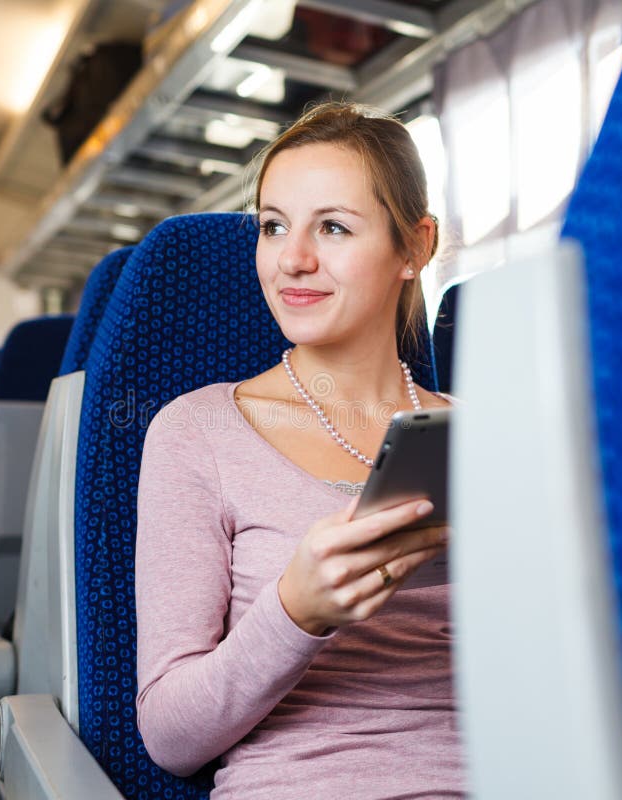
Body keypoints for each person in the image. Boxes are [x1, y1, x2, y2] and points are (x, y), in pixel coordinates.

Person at [135, 102, 465, 799]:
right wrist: (296, 611)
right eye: (273, 226)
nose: (293, 259)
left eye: (334, 228)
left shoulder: (487, 438)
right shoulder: (196, 432)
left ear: (415, 247)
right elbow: (169, 739)